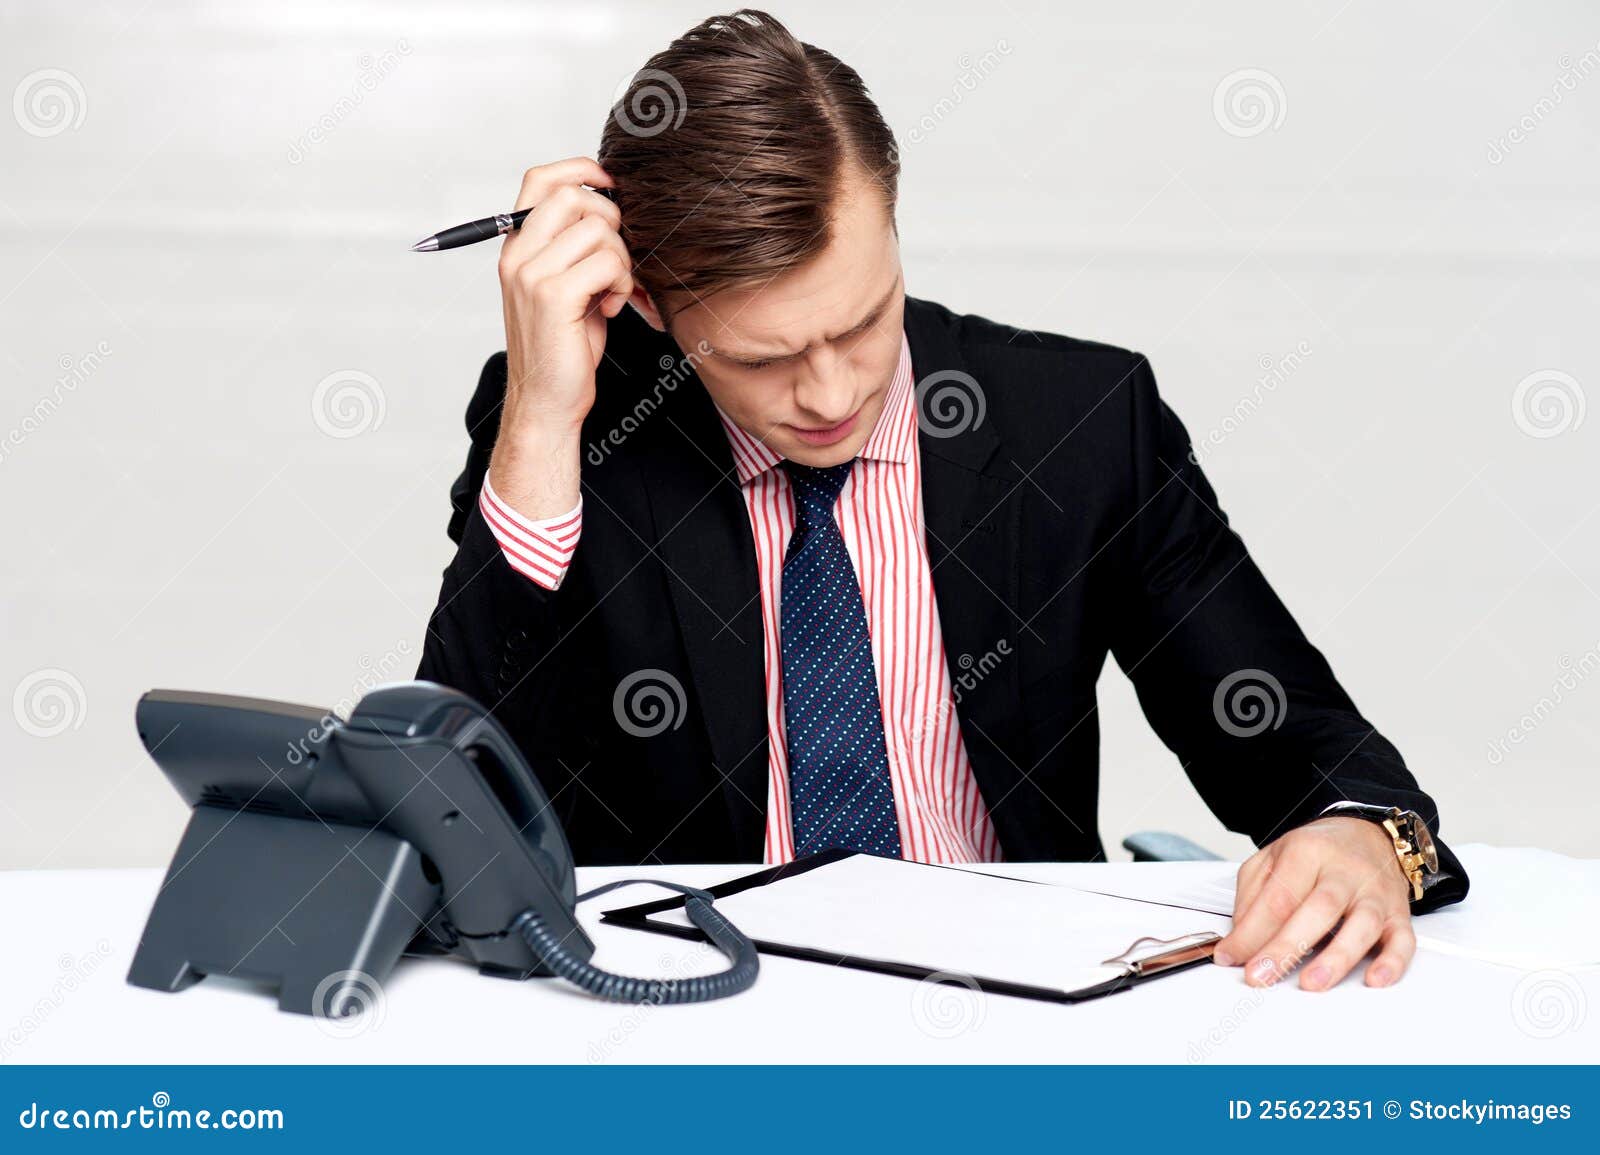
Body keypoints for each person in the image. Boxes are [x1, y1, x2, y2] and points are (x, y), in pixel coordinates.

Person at [418, 8, 1467, 994]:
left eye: (864, 321)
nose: (831, 395)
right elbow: (453, 810)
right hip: (693, 1003)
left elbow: (1304, 746)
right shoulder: (583, 428)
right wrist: (544, 415)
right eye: (761, 357)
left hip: (1015, 1001)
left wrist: (1358, 836)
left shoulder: (1081, 424)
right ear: (645, 301)